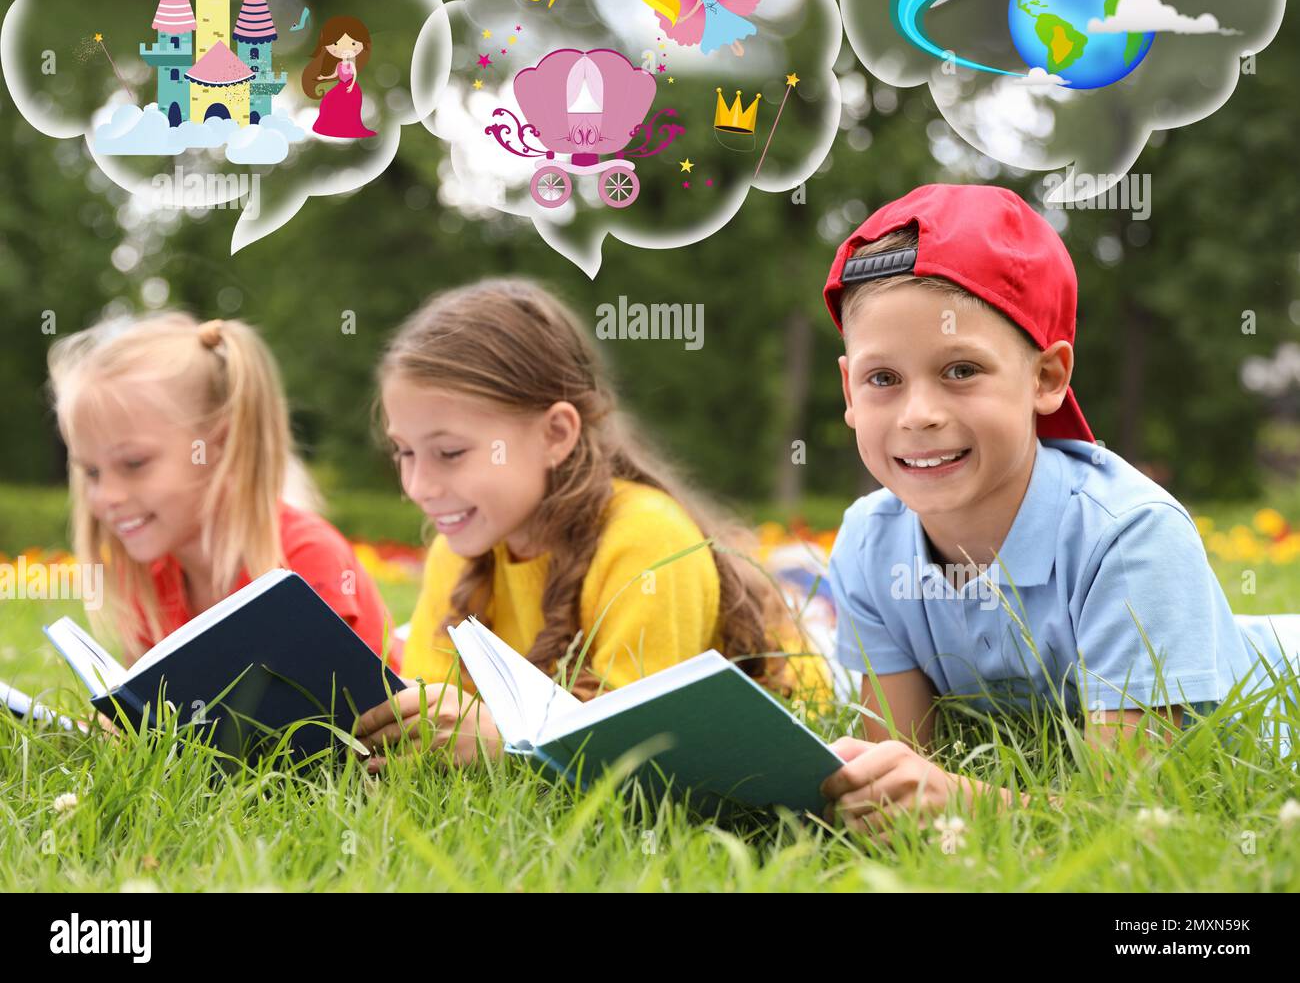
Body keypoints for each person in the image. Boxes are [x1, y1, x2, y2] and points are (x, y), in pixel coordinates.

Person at [817, 184, 1300, 833]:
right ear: (849, 388)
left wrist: (962, 801)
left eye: (961, 370)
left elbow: (1139, 816)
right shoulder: (866, 545)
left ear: (1047, 378)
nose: (920, 414)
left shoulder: (1129, 537)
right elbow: (898, 770)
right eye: (884, 379)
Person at [355, 278, 830, 769]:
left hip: (806, 701)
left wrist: (505, 745)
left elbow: (644, 758)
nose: (418, 486)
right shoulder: (454, 552)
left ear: (555, 434)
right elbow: (432, 718)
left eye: (450, 452)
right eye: (404, 452)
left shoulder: (646, 537)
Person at [47, 312, 394, 665]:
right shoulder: (150, 579)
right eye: (91, 472)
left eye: (134, 463)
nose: (107, 496)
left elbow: (334, 709)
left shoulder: (304, 559)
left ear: (222, 445)